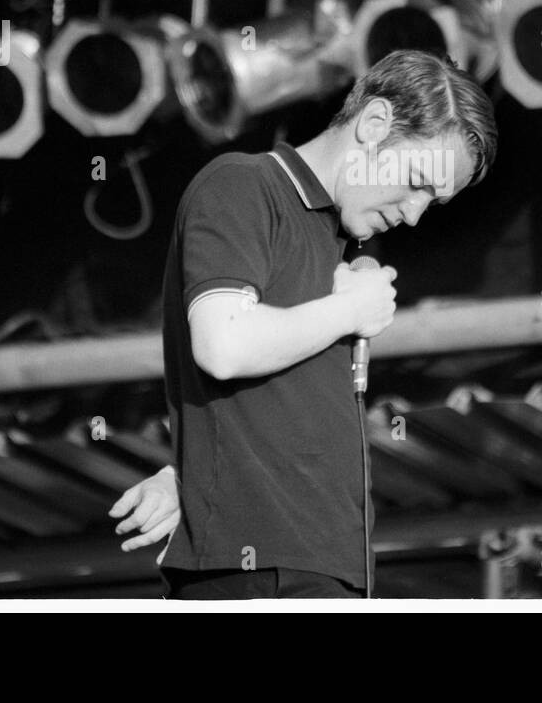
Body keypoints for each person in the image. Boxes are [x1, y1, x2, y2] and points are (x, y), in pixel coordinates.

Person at [108, 48, 498, 598]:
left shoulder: (337, 248)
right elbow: (225, 343)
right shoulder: (243, 185)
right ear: (374, 123)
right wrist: (349, 311)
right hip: (261, 575)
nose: (413, 214)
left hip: (319, 575)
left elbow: (271, 414)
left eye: (431, 203)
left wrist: (195, 476)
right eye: (415, 180)